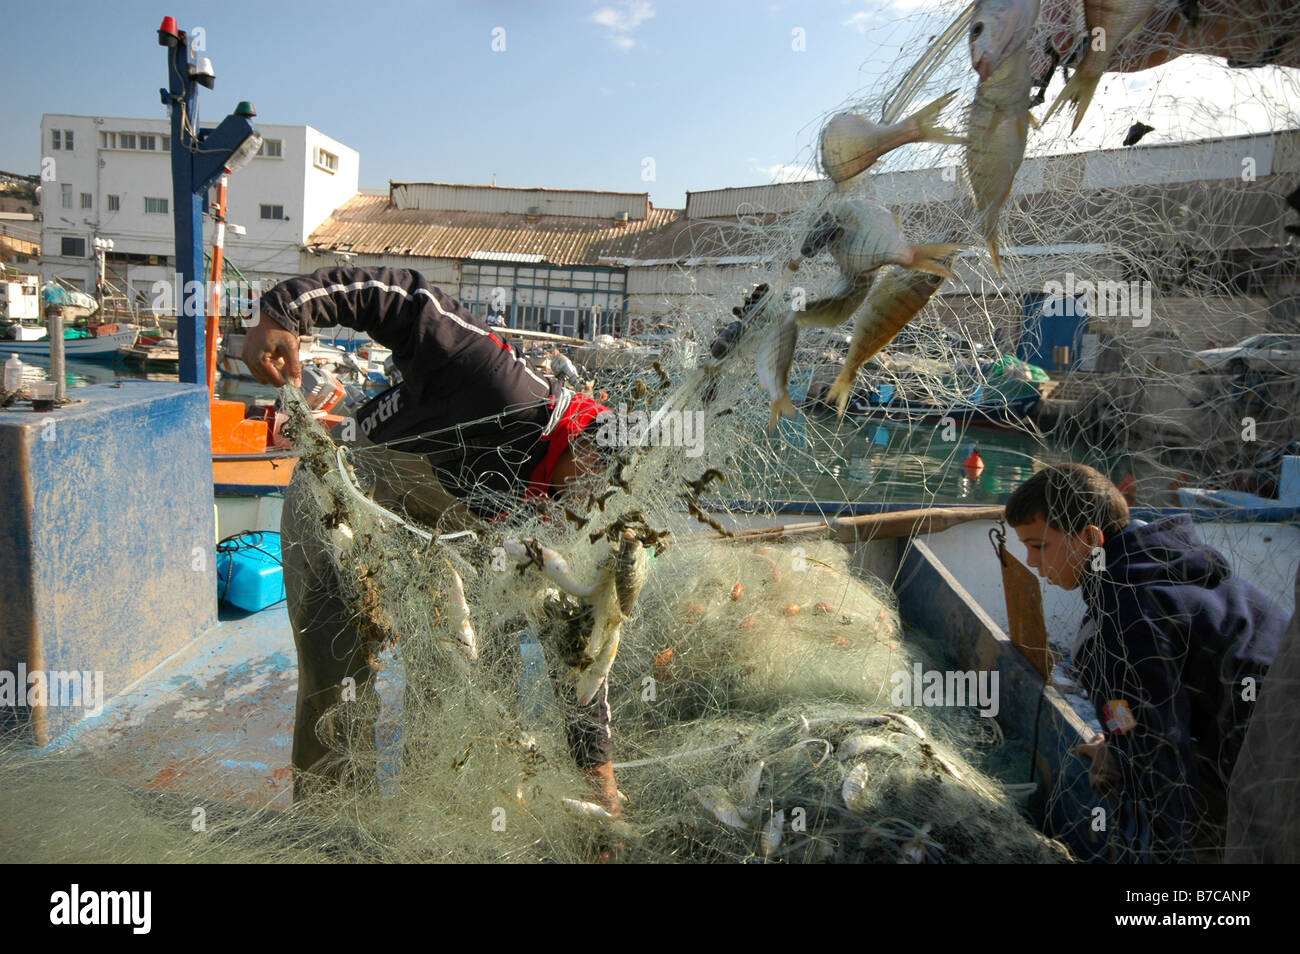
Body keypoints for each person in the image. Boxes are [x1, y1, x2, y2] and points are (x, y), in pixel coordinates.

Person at [240, 266, 623, 817]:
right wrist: (283, 313)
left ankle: (430, 816)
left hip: (426, 528)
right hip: (340, 489)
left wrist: (599, 783)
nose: (593, 508)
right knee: (339, 674)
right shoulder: (495, 381)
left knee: (451, 664)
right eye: (598, 487)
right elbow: (400, 297)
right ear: (586, 447)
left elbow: (583, 657)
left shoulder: (566, 517)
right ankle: (328, 830)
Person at [1005, 463, 1286, 862]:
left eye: (1039, 546)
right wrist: (1122, 741)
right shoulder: (1171, 562)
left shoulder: (1121, 623)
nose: (1031, 562)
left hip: (1276, 769)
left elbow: (1160, 763)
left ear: (1088, 538)